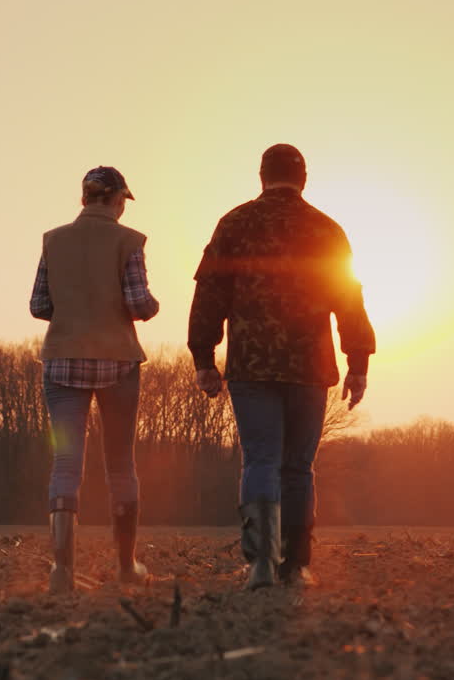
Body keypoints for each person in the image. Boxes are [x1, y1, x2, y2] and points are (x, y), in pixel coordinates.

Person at [187, 144, 376, 590]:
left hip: (251, 366)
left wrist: (203, 358)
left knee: (260, 460)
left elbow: (209, 293)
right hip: (309, 367)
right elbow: (349, 299)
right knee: (298, 467)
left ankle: (260, 563)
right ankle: (296, 566)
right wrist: (358, 363)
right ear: (304, 179)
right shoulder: (327, 230)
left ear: (261, 176)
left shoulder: (234, 224)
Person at [30, 166, 160, 594]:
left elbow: (38, 304)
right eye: (124, 200)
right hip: (117, 362)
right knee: (120, 464)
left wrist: (73, 310)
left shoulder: (53, 240)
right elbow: (139, 304)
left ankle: (61, 570)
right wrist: (153, 306)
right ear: (118, 199)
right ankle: (126, 566)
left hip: (62, 360)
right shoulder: (130, 241)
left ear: (84, 199)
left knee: (66, 462)